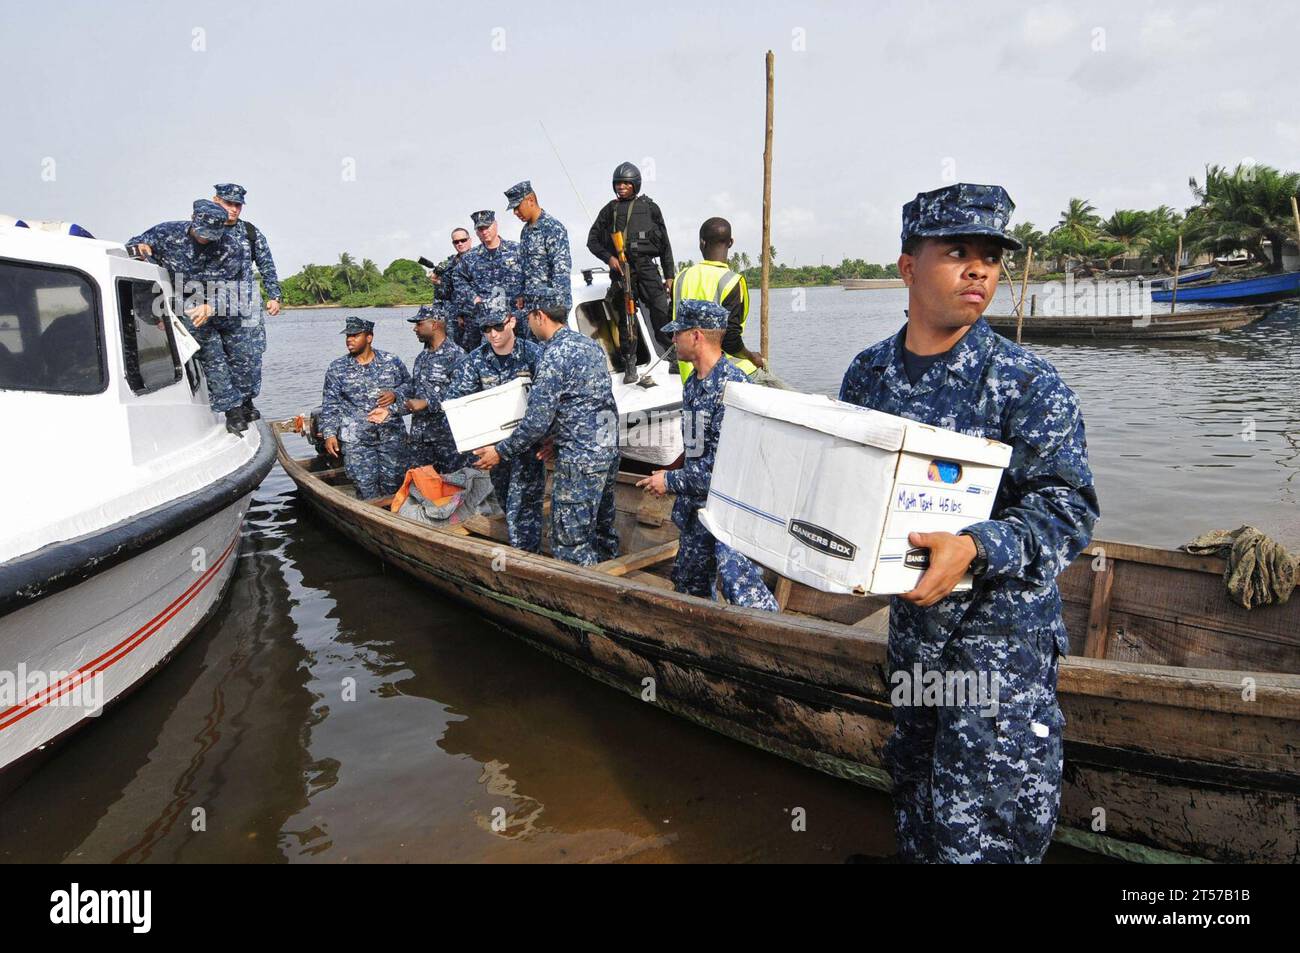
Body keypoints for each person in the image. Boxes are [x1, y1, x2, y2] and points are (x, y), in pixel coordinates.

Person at [837, 182, 1100, 864]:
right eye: (957, 250)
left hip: (999, 668)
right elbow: (853, 491)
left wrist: (976, 548)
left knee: (984, 840)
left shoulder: (1028, 384)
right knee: (919, 817)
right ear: (907, 266)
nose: (980, 268)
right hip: (915, 649)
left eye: (990, 254)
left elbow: (1067, 511)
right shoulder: (868, 376)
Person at [637, 300, 778, 610]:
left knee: (740, 587)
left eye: (678, 334)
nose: (673, 340)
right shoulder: (692, 384)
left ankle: (775, 644)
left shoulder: (735, 388)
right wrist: (670, 468)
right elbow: (696, 449)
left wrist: (670, 481)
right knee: (688, 584)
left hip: (731, 507)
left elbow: (727, 468)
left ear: (697, 336)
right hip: (697, 507)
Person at [472, 293, 620, 566]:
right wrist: (558, 437)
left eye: (529, 317)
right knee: (602, 533)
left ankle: (583, 601)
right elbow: (597, 403)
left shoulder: (554, 355)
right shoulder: (590, 346)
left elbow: (536, 421)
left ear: (540, 316)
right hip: (608, 453)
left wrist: (500, 452)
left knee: (570, 544)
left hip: (579, 462)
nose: (528, 324)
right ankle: (611, 584)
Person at [127, 200, 247, 434]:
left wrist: (211, 307)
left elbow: (235, 289)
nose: (206, 240)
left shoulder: (231, 248)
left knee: (212, 347)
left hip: (208, 298)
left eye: (212, 236)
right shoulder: (166, 232)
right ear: (193, 218)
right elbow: (133, 245)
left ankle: (232, 409)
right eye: (202, 234)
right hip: (168, 292)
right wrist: (141, 249)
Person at [445, 306, 545, 552]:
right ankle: (522, 553)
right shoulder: (475, 360)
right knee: (505, 501)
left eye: (498, 326)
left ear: (511, 322)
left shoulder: (534, 354)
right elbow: (456, 403)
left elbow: (548, 402)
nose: (493, 334)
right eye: (486, 329)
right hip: (493, 451)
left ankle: (527, 558)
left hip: (530, 448)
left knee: (524, 507)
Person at [319, 317, 413, 500]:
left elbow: (410, 386)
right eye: (347, 336)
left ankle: (396, 522)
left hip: (391, 436)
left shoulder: (391, 361)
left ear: (369, 338)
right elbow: (331, 404)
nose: (349, 340)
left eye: (355, 335)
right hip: (357, 441)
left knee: (394, 486)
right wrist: (329, 433)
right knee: (365, 488)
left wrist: (395, 394)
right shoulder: (337, 368)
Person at [211, 182, 281, 422]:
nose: (233, 209)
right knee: (219, 356)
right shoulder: (205, 229)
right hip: (213, 303)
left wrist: (274, 296)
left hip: (247, 305)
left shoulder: (250, 232)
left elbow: (267, 265)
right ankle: (232, 406)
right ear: (216, 200)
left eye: (238, 205)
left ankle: (247, 399)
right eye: (228, 203)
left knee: (251, 355)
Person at [586, 162, 675, 348]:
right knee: (626, 320)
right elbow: (592, 240)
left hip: (647, 269)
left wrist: (669, 275)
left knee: (661, 312)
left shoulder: (650, 208)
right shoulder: (610, 210)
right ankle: (629, 362)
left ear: (635, 184)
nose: (621, 187)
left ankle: (672, 356)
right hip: (622, 271)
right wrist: (609, 259)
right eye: (618, 183)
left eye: (626, 183)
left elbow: (665, 244)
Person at [671, 217, 766, 380]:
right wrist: (752, 357)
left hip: (692, 378)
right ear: (730, 243)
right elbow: (730, 339)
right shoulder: (732, 281)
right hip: (728, 376)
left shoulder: (681, 277)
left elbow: (672, 326)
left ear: (702, 243)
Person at [392, 302, 466, 473]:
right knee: (423, 490)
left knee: (455, 491)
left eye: (419, 324)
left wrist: (428, 403)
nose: (415, 329)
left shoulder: (457, 356)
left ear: (434, 325)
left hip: (448, 441)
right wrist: (392, 405)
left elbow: (463, 396)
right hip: (421, 441)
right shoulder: (422, 357)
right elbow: (414, 392)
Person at [454, 209, 527, 341]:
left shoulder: (516, 250)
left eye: (487, 227)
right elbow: (458, 278)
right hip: (489, 323)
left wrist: (523, 294)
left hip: (516, 317)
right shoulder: (470, 257)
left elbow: (531, 273)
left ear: (496, 225)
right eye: (480, 229)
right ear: (476, 232)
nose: (484, 231)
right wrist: (474, 298)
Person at [508, 180, 572, 311]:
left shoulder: (553, 228)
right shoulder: (525, 231)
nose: (515, 212)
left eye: (517, 206)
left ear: (530, 200)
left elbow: (561, 271)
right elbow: (525, 267)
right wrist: (521, 293)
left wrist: (557, 309)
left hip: (550, 308)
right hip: (531, 307)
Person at [432, 227, 477, 351]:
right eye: (456, 242)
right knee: (455, 351)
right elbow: (444, 294)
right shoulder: (448, 264)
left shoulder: (480, 258)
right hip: (454, 318)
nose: (460, 244)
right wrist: (437, 283)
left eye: (463, 240)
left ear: (470, 240)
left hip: (476, 315)